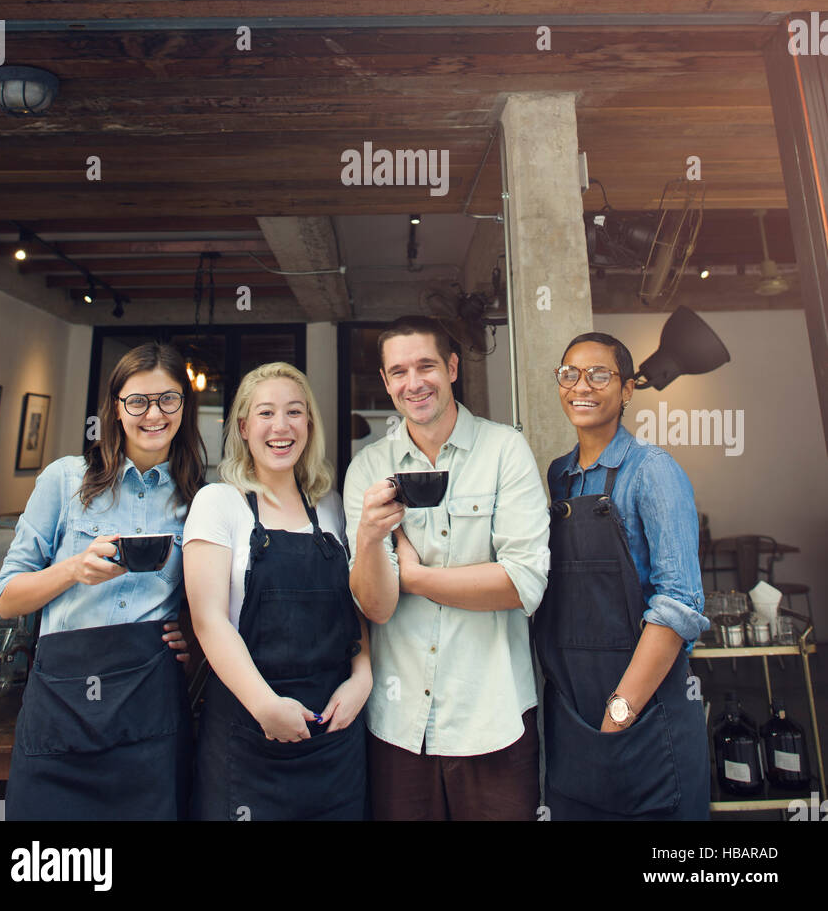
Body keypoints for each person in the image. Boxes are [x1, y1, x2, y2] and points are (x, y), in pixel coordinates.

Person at [344, 316, 549, 821]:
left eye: (425, 365)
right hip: (399, 722)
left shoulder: (505, 451)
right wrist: (372, 538)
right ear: (386, 381)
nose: (413, 383)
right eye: (398, 372)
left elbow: (522, 584)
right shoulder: (369, 468)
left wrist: (412, 577)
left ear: (453, 367)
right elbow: (375, 605)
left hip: (494, 716)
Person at [0, 341, 205, 821]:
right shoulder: (65, 480)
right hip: (60, 702)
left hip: (150, 702)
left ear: (184, 405)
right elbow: (6, 598)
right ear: (116, 408)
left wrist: (193, 637)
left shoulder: (201, 498)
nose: (154, 413)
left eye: (168, 399)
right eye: (138, 401)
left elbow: (214, 602)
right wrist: (73, 570)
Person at [533, 331, 711, 821]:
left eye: (599, 374)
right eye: (568, 374)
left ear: (628, 389)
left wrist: (621, 710)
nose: (580, 386)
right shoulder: (557, 476)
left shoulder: (653, 471)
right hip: (571, 715)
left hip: (644, 714)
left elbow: (678, 605)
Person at [184, 361, 371, 821]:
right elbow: (208, 619)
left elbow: (355, 605)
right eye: (266, 414)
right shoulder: (218, 502)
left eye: (294, 412)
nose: (281, 427)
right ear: (244, 427)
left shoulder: (329, 506)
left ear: (309, 423)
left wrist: (363, 675)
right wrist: (266, 706)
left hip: (335, 732)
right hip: (250, 731)